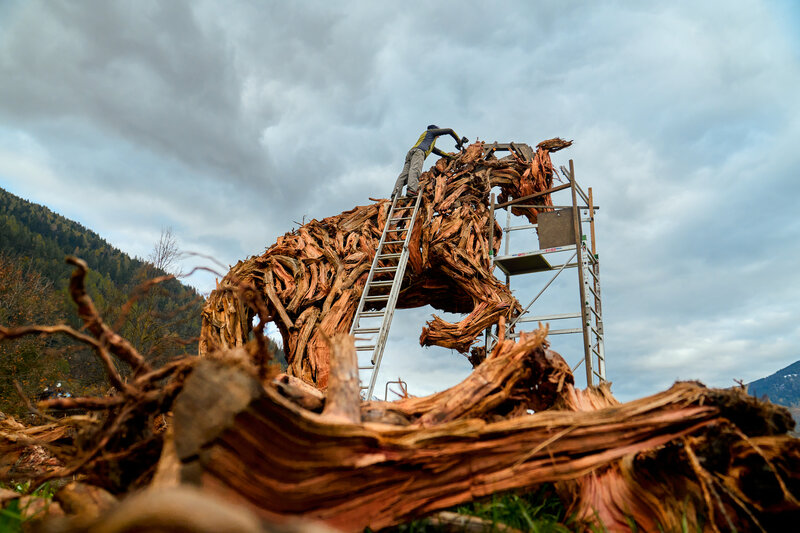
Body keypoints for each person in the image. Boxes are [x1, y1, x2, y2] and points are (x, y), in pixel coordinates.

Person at [394, 125, 468, 196]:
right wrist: (458, 141)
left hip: (411, 152)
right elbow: (450, 130)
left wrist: (450, 157)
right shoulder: (431, 132)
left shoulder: (427, 139)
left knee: (404, 175)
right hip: (419, 153)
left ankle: (395, 194)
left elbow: (438, 151)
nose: (438, 136)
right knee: (415, 169)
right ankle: (411, 190)